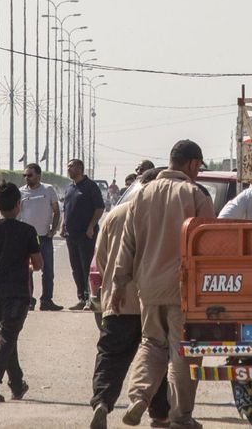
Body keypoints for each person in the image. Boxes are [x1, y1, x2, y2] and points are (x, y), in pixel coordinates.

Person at [111, 140, 216, 429]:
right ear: (193, 164)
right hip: (184, 289)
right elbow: (212, 247)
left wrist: (120, 283)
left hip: (149, 287)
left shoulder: (142, 194)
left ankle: (139, 397)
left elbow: (127, 243)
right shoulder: (195, 194)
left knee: (152, 344)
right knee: (183, 351)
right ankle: (180, 416)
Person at [90, 172, 170, 428]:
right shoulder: (163, 216)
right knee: (155, 358)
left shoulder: (114, 215)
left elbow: (101, 259)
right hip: (154, 304)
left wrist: (113, 285)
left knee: (110, 356)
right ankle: (158, 414)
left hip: (118, 303)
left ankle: (102, 402)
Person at [0, 182, 42, 403]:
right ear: (18, 205)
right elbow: (39, 263)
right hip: (19, 294)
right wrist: (30, 265)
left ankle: (16, 384)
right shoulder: (28, 231)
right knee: (8, 337)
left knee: (7, 338)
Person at [17, 163, 63, 311]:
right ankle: (29, 299)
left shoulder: (48, 190)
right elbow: (17, 213)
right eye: (25, 175)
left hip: (44, 237)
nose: (26, 178)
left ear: (38, 175)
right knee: (27, 270)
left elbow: (56, 211)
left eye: (29, 175)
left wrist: (53, 229)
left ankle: (47, 300)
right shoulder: (21, 192)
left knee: (47, 270)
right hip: (26, 239)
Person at [62, 158, 106, 310]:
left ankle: (90, 299)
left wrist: (91, 226)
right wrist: (62, 226)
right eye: (68, 166)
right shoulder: (69, 188)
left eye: (71, 166)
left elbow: (99, 208)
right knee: (76, 268)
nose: (68, 169)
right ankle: (81, 297)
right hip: (71, 234)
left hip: (86, 235)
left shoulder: (90, 186)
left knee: (86, 266)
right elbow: (66, 209)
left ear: (80, 168)